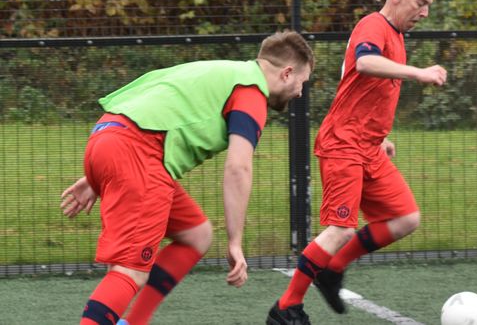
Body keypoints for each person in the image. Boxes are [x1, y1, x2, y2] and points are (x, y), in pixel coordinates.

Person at [60, 30, 315, 325]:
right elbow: (238, 168)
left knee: (196, 235)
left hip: (109, 137)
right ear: (286, 73)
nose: (299, 91)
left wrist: (100, 172)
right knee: (130, 271)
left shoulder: (224, 71)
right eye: (302, 82)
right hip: (137, 153)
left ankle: (134, 322)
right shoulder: (251, 92)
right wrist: (235, 242)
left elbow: (157, 99)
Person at [268, 0, 447, 325]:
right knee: (341, 229)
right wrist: (418, 72)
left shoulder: (394, 34)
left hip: (368, 146)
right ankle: (286, 308)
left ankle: (332, 269)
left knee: (405, 218)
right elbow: (365, 63)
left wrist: (380, 138)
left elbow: (368, 93)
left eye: (428, 5)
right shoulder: (374, 25)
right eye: (420, 3)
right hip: (343, 145)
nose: (424, 12)